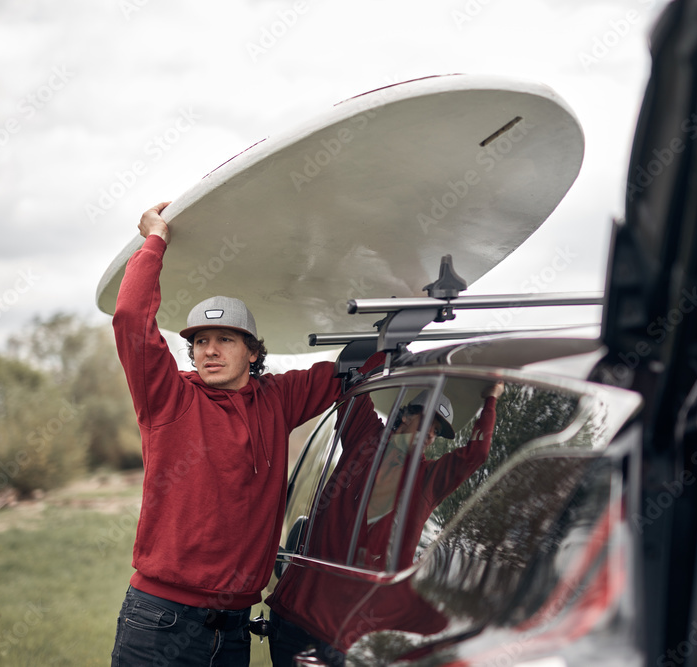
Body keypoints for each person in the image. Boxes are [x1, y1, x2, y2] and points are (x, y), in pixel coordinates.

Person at [109, 202, 379, 667]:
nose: (209, 350)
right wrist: (154, 240)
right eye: (200, 341)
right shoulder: (169, 399)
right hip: (160, 620)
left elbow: (352, 371)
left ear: (253, 352)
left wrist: (403, 325)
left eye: (225, 339)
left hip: (235, 629)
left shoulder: (277, 399)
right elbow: (132, 319)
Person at [265, 382, 505, 666]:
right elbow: (355, 383)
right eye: (427, 421)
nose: (430, 434)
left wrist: (491, 398)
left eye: (437, 431)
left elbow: (476, 454)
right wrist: (393, 346)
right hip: (292, 616)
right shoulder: (364, 436)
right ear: (404, 414)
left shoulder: (428, 480)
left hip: (345, 639)